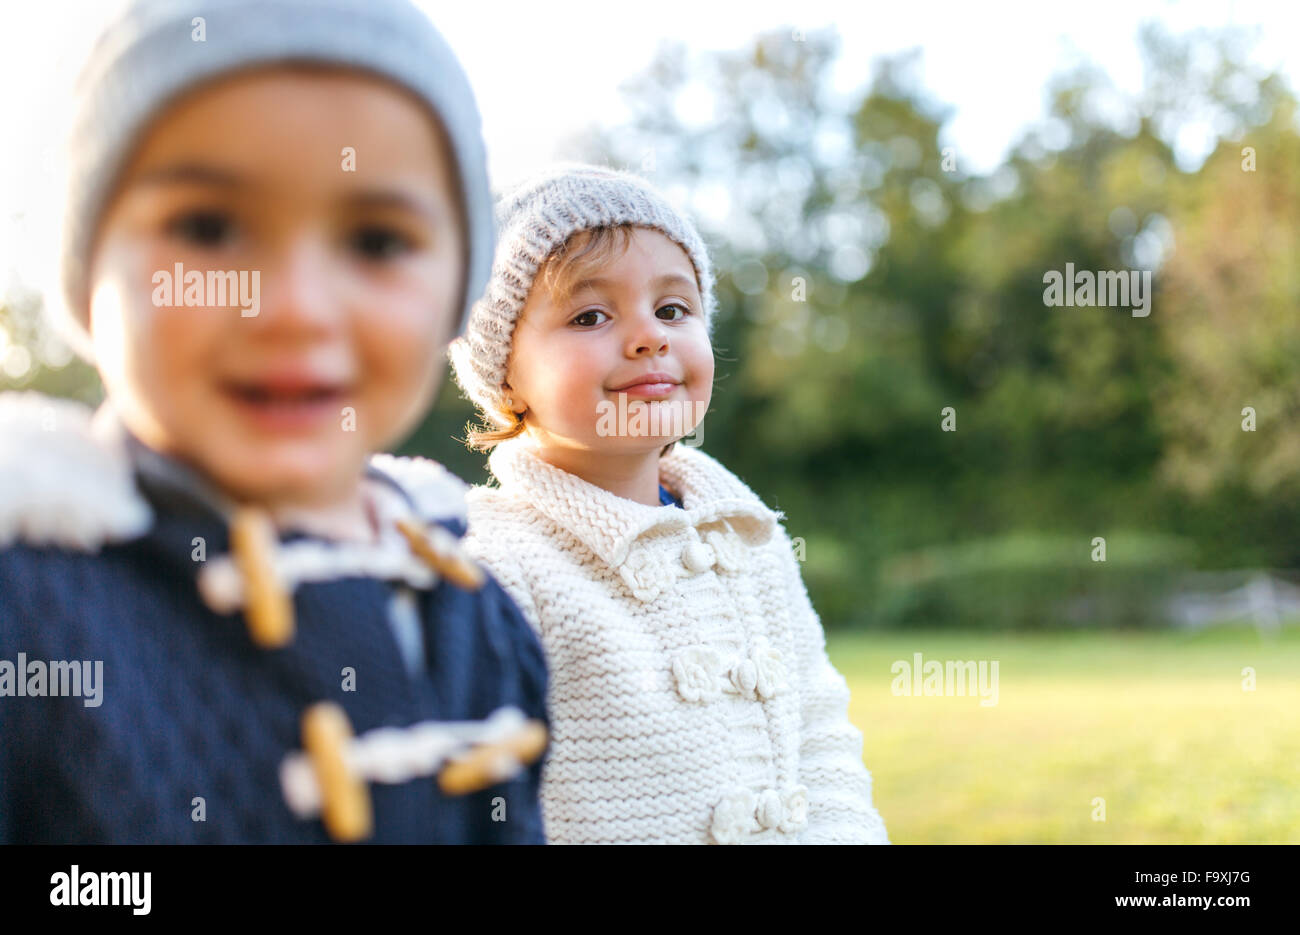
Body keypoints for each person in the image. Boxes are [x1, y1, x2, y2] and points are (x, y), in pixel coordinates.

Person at [0, 0, 548, 844]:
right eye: (208, 227)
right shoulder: (30, 611)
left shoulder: (483, 620)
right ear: (86, 269)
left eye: (375, 240)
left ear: (458, 284)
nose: (292, 306)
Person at [449, 163, 890, 844]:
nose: (649, 335)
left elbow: (820, 729)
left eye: (673, 309)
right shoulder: (496, 567)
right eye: (590, 315)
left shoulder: (749, 537)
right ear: (505, 373)